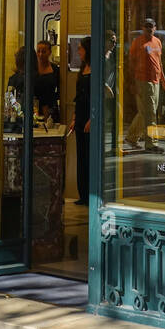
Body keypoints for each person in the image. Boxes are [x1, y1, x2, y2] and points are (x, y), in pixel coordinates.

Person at [127, 18, 165, 152]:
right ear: (142, 28)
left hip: (155, 81)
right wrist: (132, 83)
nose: (149, 28)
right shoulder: (137, 42)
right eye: (146, 26)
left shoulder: (158, 42)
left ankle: (131, 137)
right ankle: (151, 143)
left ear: (155, 28)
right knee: (150, 113)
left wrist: (164, 81)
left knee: (145, 112)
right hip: (142, 81)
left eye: (151, 26)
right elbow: (131, 63)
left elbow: (159, 63)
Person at [72, 36, 92, 205]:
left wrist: (92, 118)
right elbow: (78, 96)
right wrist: (74, 117)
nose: (78, 51)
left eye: (81, 48)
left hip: (89, 117)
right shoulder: (83, 69)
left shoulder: (96, 69)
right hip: (80, 115)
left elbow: (98, 97)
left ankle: (89, 194)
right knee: (81, 156)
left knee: (88, 156)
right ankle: (82, 194)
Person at [33, 39, 60, 120]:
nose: (40, 54)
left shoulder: (55, 69)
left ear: (49, 52)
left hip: (51, 108)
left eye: (44, 52)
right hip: (34, 109)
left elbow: (60, 90)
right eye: (38, 51)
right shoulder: (32, 68)